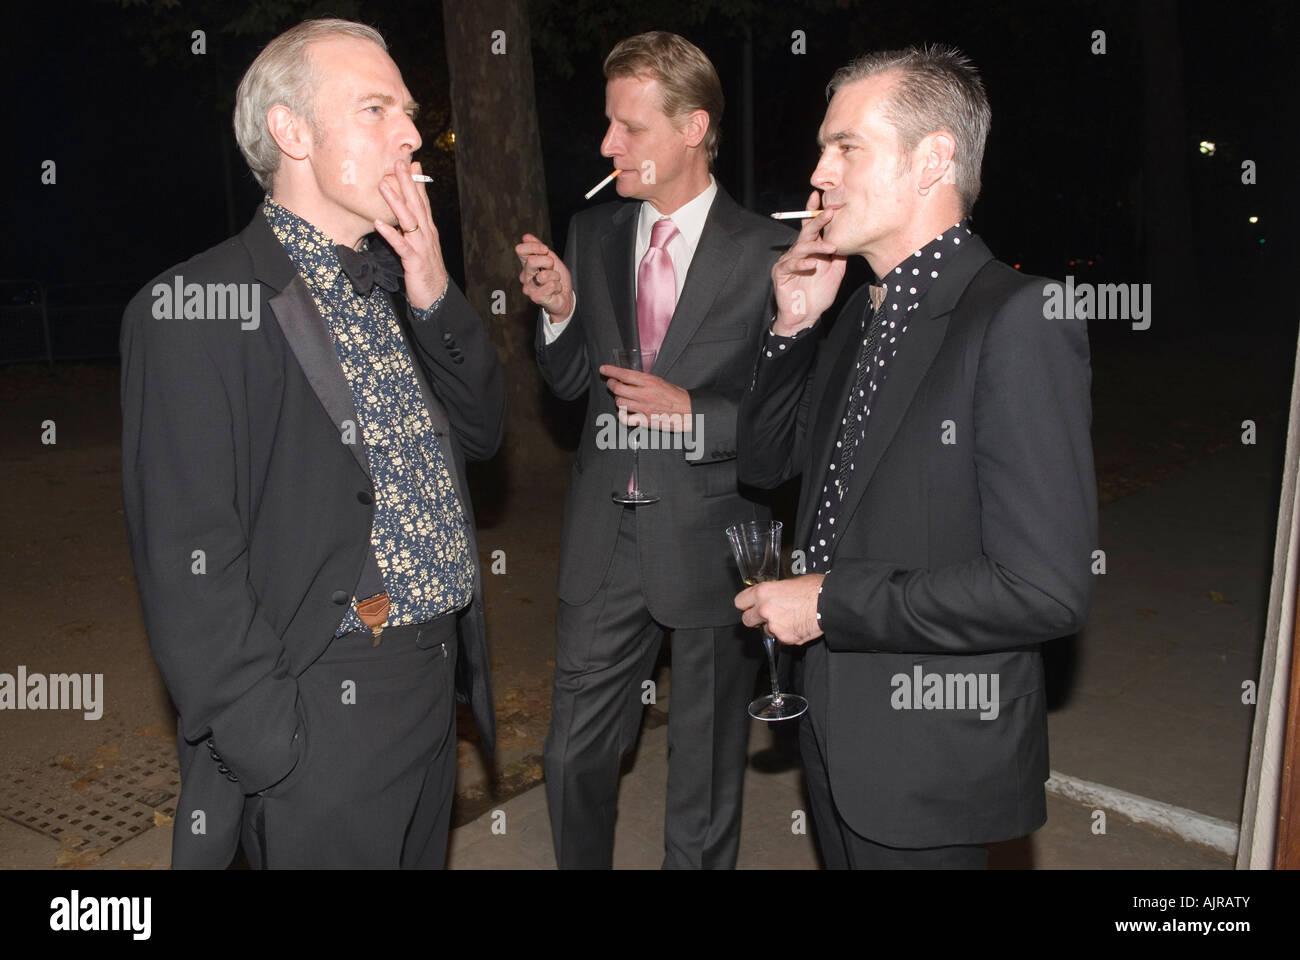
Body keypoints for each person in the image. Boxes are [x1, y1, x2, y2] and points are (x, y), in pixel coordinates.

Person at [120, 18, 505, 868]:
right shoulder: (190, 308)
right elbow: (189, 560)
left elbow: (485, 431)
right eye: (375, 109)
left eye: (407, 112)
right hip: (318, 710)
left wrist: (435, 289)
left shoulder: (403, 282)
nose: (409, 133)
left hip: (433, 684)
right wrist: (271, 744)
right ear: (290, 132)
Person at [734, 45, 1097, 869]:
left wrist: (830, 604)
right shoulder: (861, 316)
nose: (818, 174)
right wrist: (792, 326)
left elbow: (1044, 590)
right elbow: (761, 466)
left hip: (933, 765)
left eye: (846, 147)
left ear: (933, 157)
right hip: (832, 733)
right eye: (824, 148)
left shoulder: (1019, 316)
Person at [516, 31, 792, 869]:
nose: (609, 145)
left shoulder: (772, 253)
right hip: (606, 538)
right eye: (609, 125)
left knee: (704, 778)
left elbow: (793, 422)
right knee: (570, 757)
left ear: (693, 128)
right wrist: (560, 312)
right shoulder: (593, 235)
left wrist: (694, 413)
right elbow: (571, 386)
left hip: (714, 538)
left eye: (630, 128)